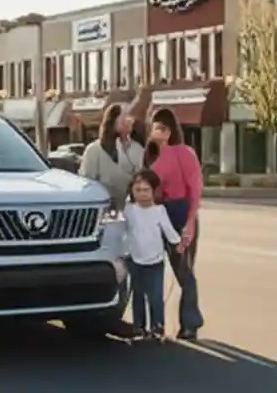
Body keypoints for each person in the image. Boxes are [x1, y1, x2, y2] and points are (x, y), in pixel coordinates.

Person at [146, 106, 205, 340]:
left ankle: (190, 322)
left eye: (160, 127)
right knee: (151, 269)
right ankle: (154, 324)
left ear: (169, 131)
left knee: (184, 271)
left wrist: (189, 221)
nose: (155, 132)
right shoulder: (151, 155)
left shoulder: (184, 153)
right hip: (157, 212)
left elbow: (196, 187)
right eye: (153, 127)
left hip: (181, 211)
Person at [123, 168, 181, 342]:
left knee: (155, 296)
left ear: (154, 191)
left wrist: (179, 243)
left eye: (146, 190)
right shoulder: (129, 210)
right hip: (134, 259)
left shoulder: (159, 210)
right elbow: (121, 231)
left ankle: (158, 327)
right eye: (137, 190)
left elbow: (169, 232)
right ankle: (139, 328)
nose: (142, 194)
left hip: (155, 261)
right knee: (138, 296)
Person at [79, 104, 141, 212]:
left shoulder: (137, 148)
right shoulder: (94, 150)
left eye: (130, 116)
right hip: (104, 209)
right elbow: (87, 182)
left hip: (132, 209)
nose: (130, 119)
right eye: (124, 116)